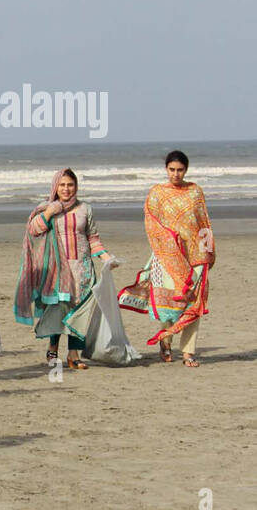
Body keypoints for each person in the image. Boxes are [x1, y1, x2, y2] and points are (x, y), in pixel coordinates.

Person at [118, 150, 214, 368]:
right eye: (172, 170)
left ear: (186, 170)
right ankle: (166, 340)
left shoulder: (195, 192)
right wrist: (169, 241)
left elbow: (203, 223)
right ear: (166, 169)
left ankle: (188, 353)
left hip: (194, 257)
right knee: (169, 304)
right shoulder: (157, 193)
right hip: (166, 257)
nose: (176, 174)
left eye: (180, 170)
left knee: (192, 302)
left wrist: (208, 253)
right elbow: (151, 224)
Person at [13, 169, 115, 370]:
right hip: (57, 269)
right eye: (62, 185)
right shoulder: (45, 208)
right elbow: (33, 229)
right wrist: (51, 212)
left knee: (81, 310)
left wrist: (106, 257)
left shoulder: (85, 209)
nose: (66, 189)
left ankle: (73, 355)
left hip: (83, 268)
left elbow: (93, 237)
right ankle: (53, 347)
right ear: (55, 187)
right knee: (59, 308)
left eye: (70, 185)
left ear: (76, 186)